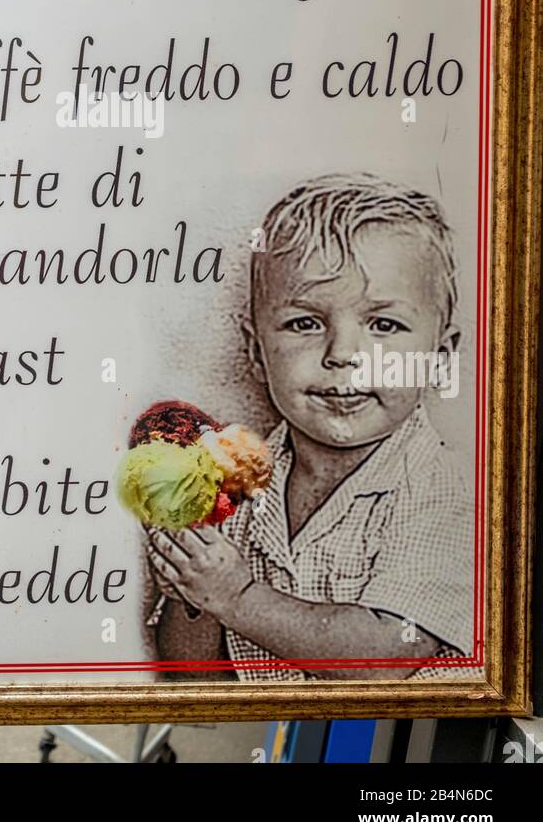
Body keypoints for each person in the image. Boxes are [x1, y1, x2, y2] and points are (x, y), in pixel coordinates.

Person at [150, 173, 475, 681]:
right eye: (306, 323)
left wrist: (235, 596)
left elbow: (382, 657)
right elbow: (192, 675)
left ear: (439, 358)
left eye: (384, 326)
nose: (343, 355)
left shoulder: (447, 490)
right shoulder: (234, 479)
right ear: (257, 353)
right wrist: (190, 585)